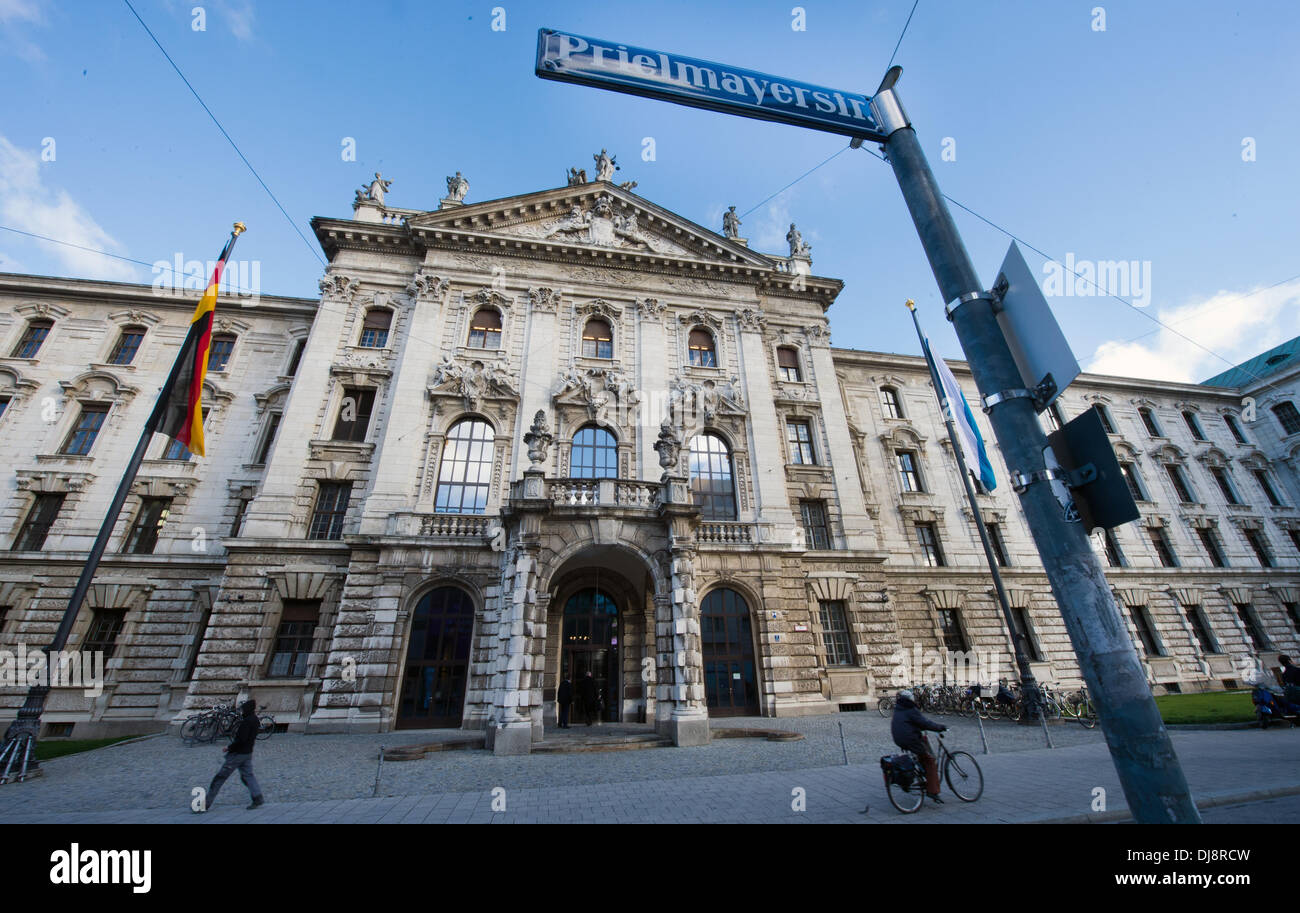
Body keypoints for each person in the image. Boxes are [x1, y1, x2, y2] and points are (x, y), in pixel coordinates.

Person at [197, 700, 264, 812]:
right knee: (248, 776)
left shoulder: (246, 722)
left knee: (219, 778)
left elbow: (241, 740)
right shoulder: (255, 720)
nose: (241, 711)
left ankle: (205, 804)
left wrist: (229, 748)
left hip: (237, 754)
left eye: (243, 709)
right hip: (247, 753)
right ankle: (257, 797)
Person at [891, 689, 947, 803]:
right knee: (930, 761)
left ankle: (922, 775)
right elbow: (924, 722)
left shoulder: (899, 709)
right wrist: (940, 727)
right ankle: (933, 791)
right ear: (911, 699)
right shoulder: (910, 709)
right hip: (910, 740)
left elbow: (909, 723)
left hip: (899, 739)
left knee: (922, 756)